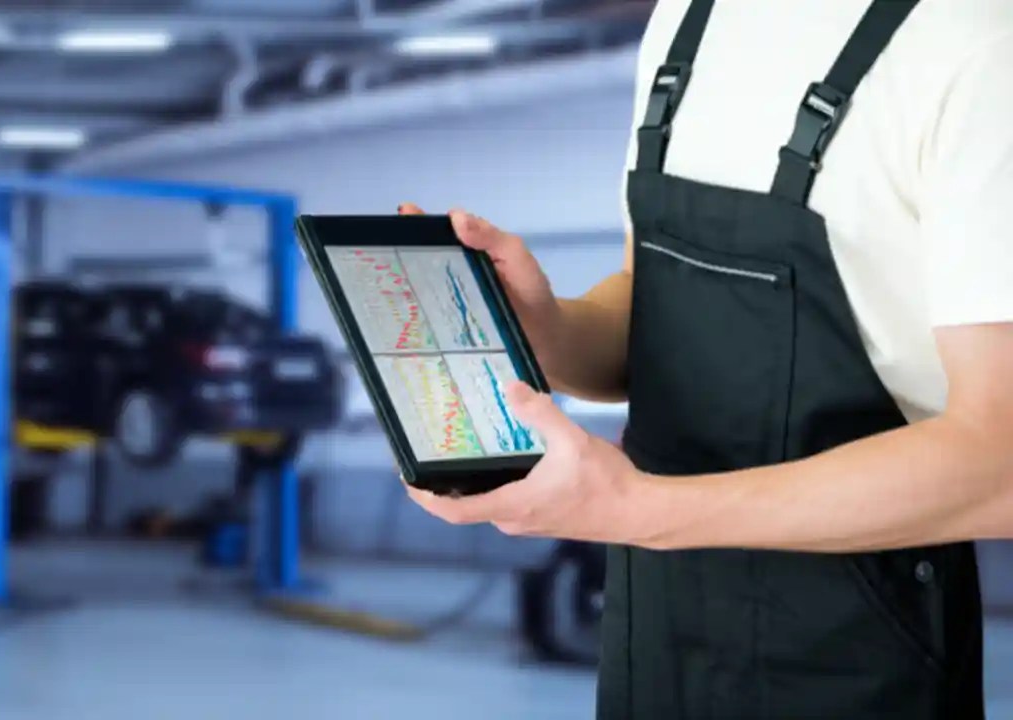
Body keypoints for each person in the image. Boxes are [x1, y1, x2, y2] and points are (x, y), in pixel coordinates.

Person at [400, 0, 1013, 717]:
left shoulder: (975, 42)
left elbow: (999, 463)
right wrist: (544, 328)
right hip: (656, 637)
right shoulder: (687, 20)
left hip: (853, 654)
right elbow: (647, 309)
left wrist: (643, 509)